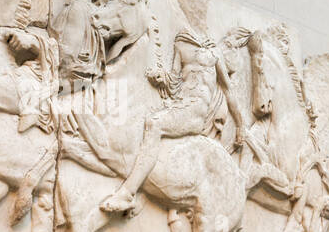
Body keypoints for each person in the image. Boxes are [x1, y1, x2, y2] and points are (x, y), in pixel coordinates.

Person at [98, 28, 243, 215]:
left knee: (154, 124)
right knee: (144, 116)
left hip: (194, 112)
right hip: (180, 105)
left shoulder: (214, 53)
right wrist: (161, 78)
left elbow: (229, 90)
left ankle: (128, 193)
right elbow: (174, 81)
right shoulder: (180, 44)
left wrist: (240, 125)